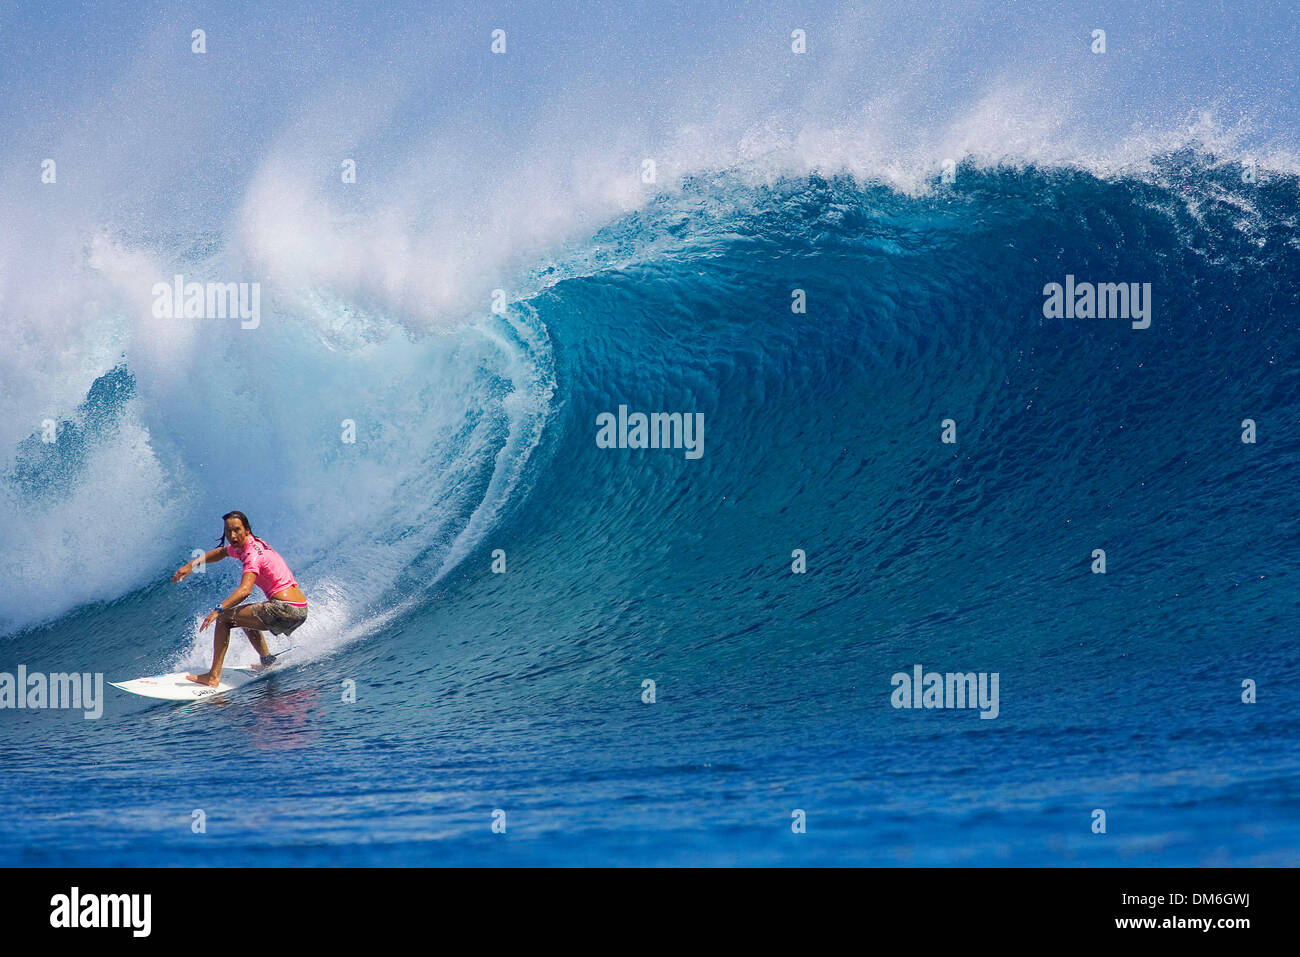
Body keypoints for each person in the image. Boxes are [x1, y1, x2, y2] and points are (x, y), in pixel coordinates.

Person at [171, 510, 308, 687]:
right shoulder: (248, 545)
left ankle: (213, 677)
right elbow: (221, 553)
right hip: (300, 609)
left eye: (237, 530)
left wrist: (217, 610)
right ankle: (267, 661)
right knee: (241, 616)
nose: (232, 535)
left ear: (247, 530)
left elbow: (245, 590)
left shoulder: (252, 555)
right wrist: (191, 565)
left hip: (285, 608)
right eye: (228, 531)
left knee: (225, 618)